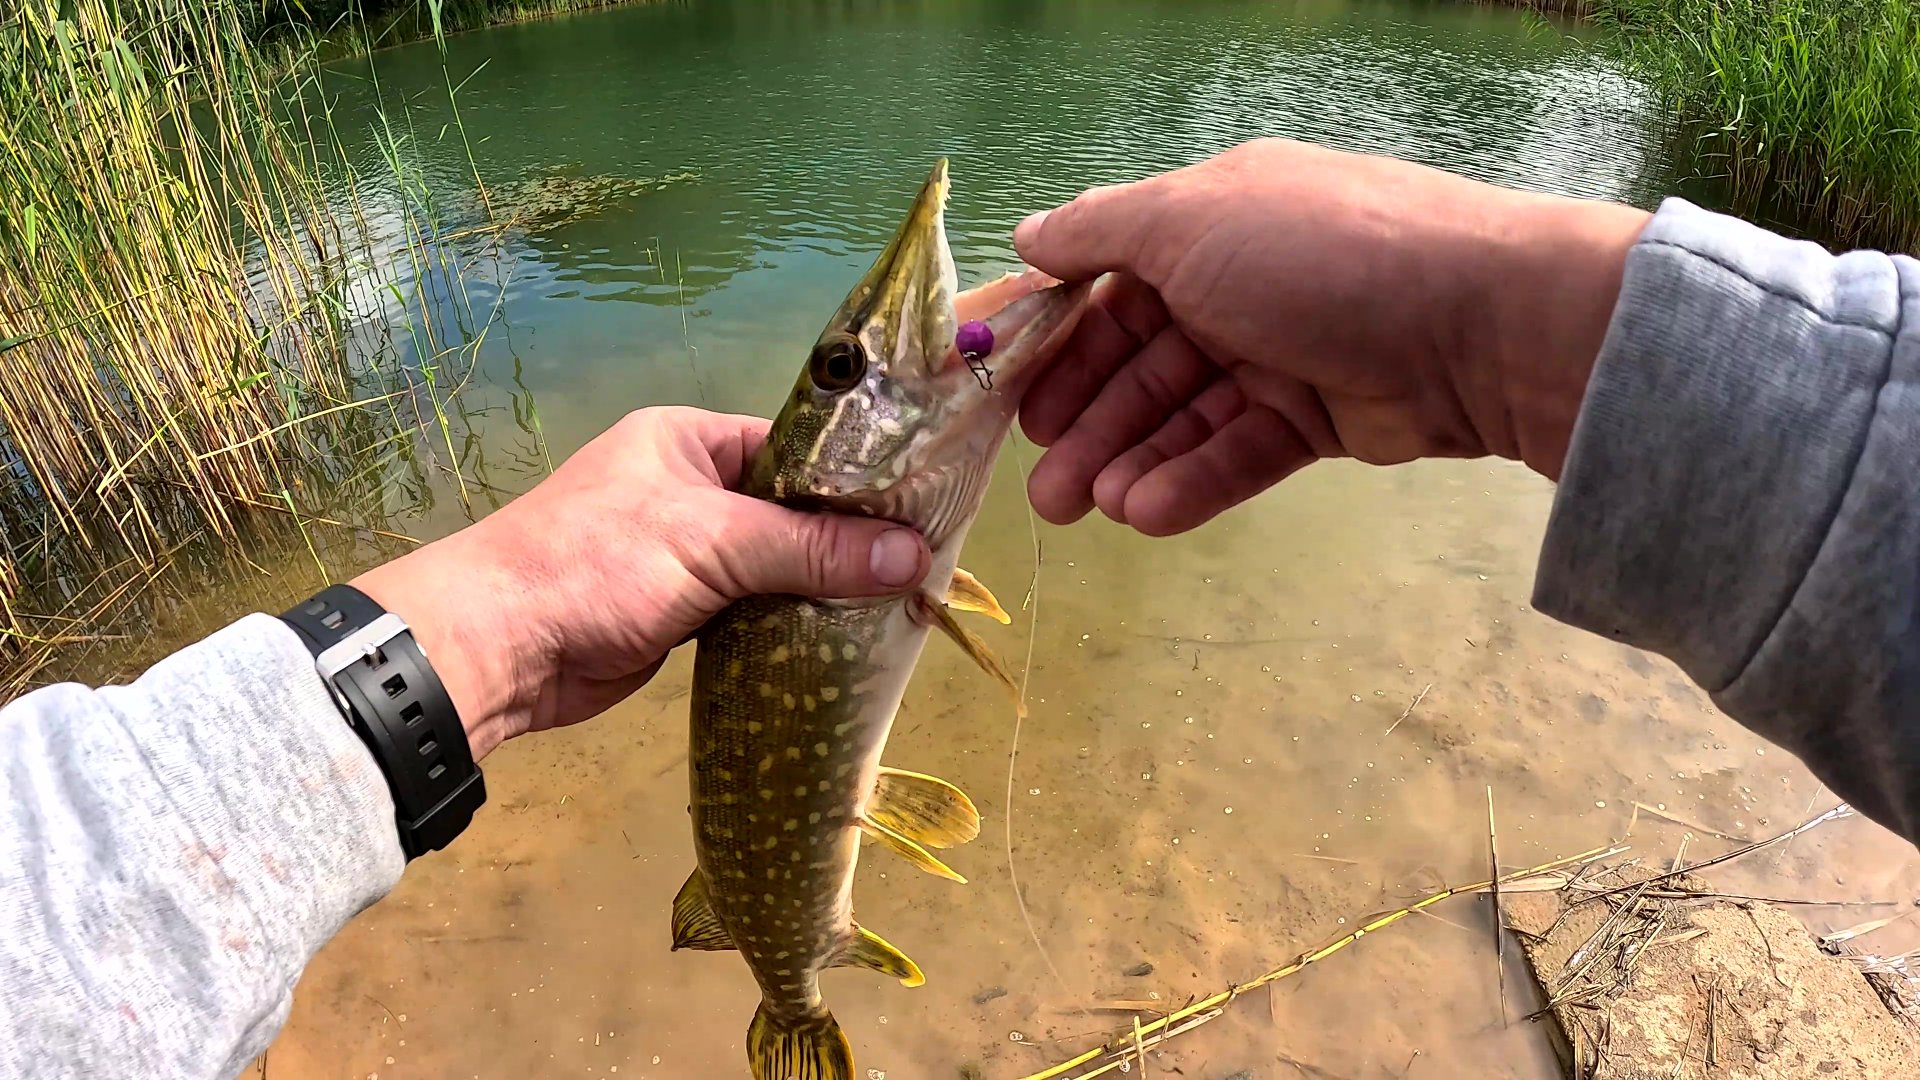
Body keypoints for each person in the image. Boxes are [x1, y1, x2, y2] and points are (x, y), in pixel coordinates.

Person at [1, 136, 1913, 1077]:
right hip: (786, 848)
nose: (886, 349)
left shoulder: (893, 476)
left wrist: (1488, 335)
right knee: (797, 912)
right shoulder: (848, 512)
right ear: (825, 480)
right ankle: (794, 974)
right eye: (855, 377)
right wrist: (1499, 336)